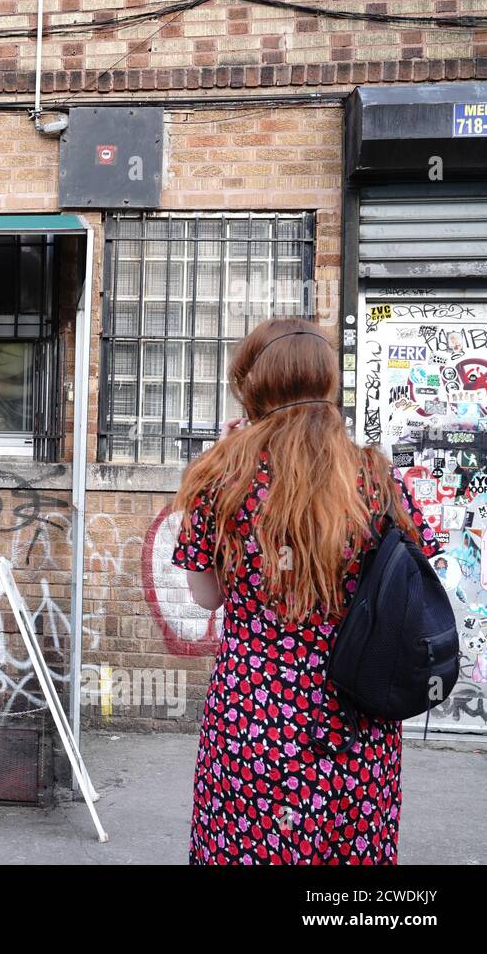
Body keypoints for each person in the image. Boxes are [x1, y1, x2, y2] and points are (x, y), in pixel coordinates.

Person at [171, 317, 440, 865]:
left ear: (252, 388)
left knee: (244, 846)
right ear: (327, 382)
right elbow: (416, 574)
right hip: (358, 710)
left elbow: (206, 597)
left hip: (255, 714)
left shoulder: (220, 478)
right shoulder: (375, 477)